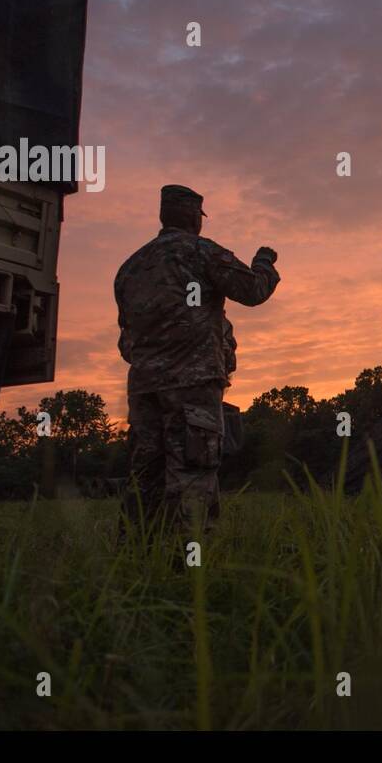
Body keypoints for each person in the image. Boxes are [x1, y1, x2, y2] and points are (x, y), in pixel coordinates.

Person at [113, 184, 279, 539]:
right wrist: (264, 262)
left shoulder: (130, 269)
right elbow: (253, 291)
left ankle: (132, 560)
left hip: (144, 389)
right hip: (192, 387)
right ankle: (189, 569)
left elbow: (126, 341)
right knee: (192, 474)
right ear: (194, 217)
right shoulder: (201, 253)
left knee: (145, 477)